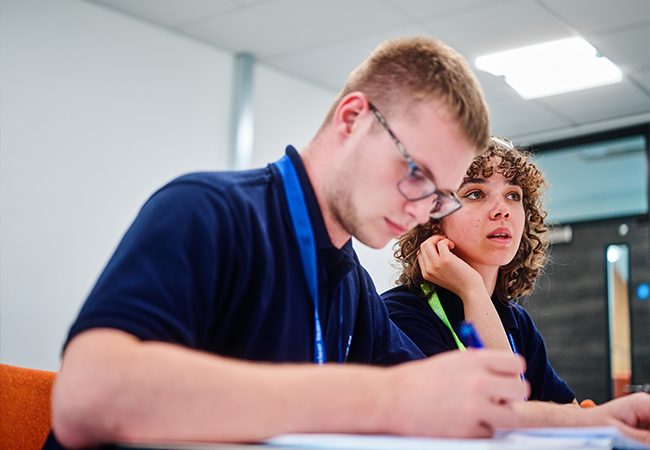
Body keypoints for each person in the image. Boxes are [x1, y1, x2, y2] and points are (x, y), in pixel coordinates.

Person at [46, 36, 529, 449]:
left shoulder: (350, 283)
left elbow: (439, 401)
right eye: (416, 174)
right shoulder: (207, 209)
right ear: (352, 118)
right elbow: (86, 396)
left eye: (438, 197)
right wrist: (382, 398)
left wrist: (571, 417)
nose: (421, 211)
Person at [382, 138, 650, 442]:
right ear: (432, 219)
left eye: (513, 195)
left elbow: (570, 411)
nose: (502, 210)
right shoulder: (400, 315)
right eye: (475, 193)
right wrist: (472, 289)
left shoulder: (516, 321)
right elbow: (500, 418)